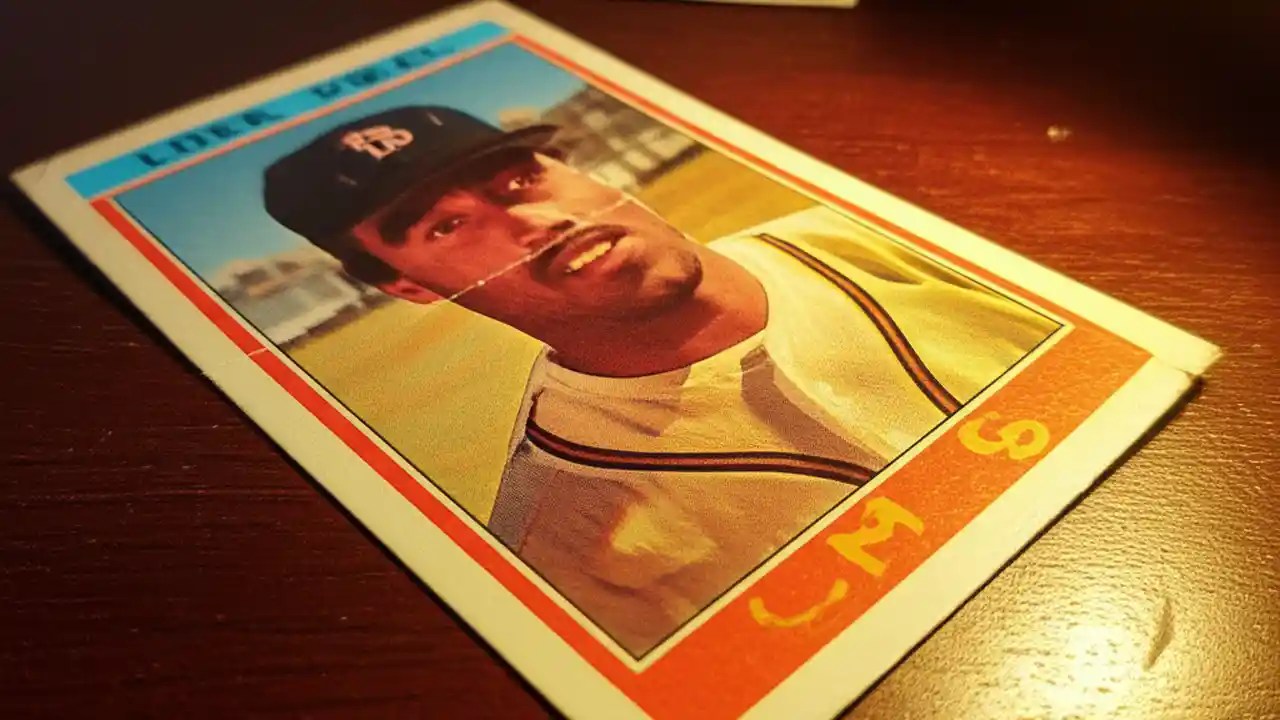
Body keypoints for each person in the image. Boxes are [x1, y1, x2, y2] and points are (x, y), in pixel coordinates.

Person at [264, 105, 1057, 656]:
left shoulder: (875, 233)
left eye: (515, 182)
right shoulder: (560, 556)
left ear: (570, 170)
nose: (535, 224)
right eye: (446, 226)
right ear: (407, 286)